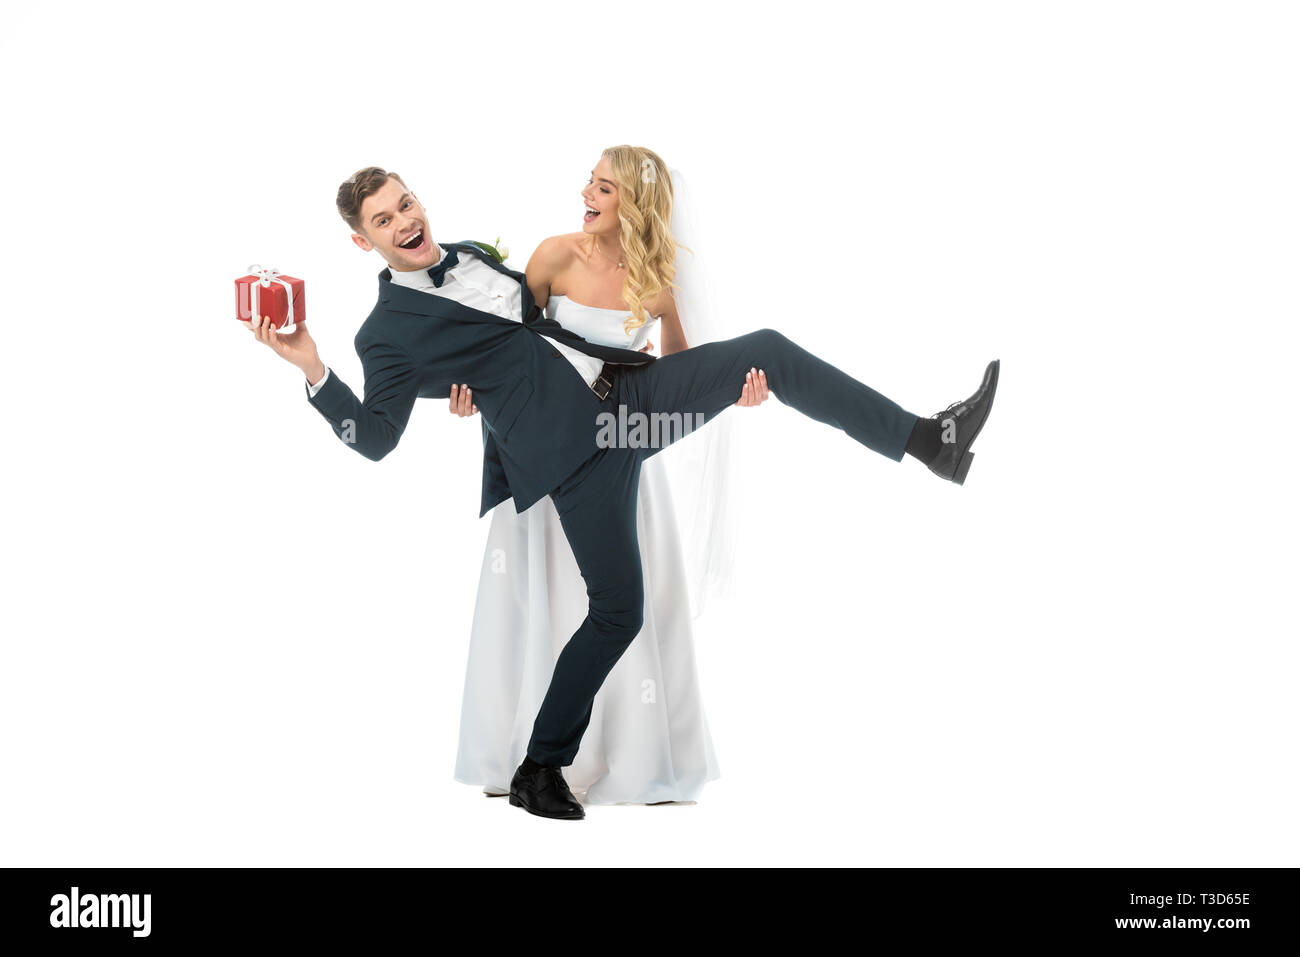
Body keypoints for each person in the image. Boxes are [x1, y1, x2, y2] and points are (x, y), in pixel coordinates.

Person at [241, 147, 1000, 821]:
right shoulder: (384, 332)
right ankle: (541, 766)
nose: (404, 220)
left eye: (405, 202)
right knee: (620, 610)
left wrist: (716, 387)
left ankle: (930, 440)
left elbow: (525, 337)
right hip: (580, 452)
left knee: (764, 348)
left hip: (631, 399)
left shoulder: (473, 255)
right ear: (362, 241)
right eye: (383, 219)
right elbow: (375, 437)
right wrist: (312, 367)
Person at [450, 155, 769, 806]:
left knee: (618, 605)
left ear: (636, 203)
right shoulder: (552, 256)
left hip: (618, 455)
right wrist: (472, 395)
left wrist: (729, 394)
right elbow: (512, 354)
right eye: (589, 181)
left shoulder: (656, 282)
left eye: (604, 186)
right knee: (545, 596)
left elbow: (680, 370)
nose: (586, 194)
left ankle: (632, 753)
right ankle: (526, 754)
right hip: (544, 460)